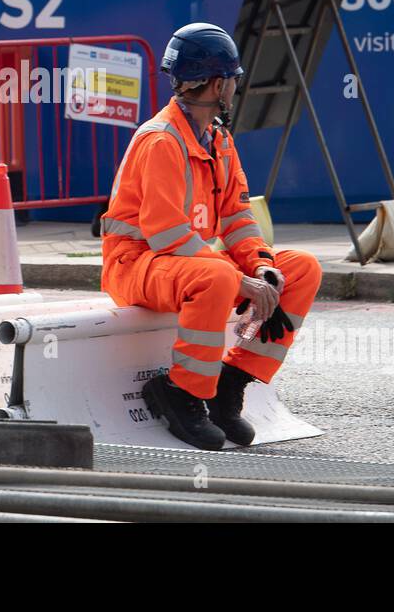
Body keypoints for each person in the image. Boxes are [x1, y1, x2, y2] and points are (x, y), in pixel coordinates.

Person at [100, 22, 322, 450]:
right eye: (233, 80)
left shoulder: (218, 139)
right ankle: (181, 394)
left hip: (183, 263)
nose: (235, 88)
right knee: (218, 277)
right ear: (219, 84)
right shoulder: (162, 141)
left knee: (301, 270)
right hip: (135, 266)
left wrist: (261, 265)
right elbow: (165, 234)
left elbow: (237, 216)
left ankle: (230, 382)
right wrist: (239, 280)